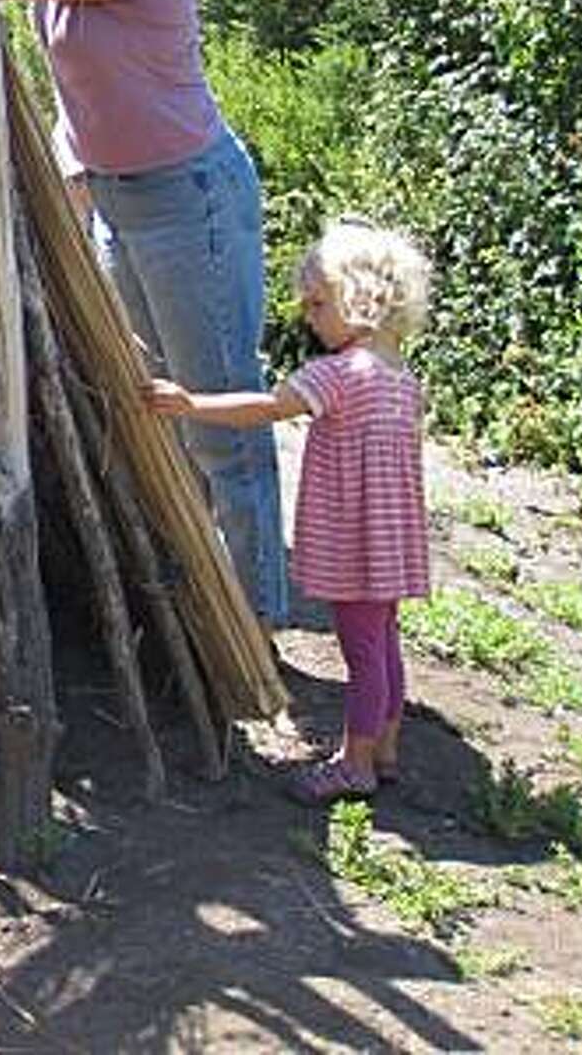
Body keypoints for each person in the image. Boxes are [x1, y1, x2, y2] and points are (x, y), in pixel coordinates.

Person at [0, 0, 288, 625]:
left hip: (189, 201)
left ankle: (258, 615)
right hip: (125, 202)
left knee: (220, 408)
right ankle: (202, 590)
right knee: (160, 402)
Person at [147, 221, 431, 804]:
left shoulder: (340, 373)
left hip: (356, 543)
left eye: (319, 302)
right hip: (392, 541)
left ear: (363, 298)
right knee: (384, 642)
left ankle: (355, 764)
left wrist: (189, 402)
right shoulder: (403, 378)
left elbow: (267, 407)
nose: (310, 316)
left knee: (362, 653)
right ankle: (386, 748)